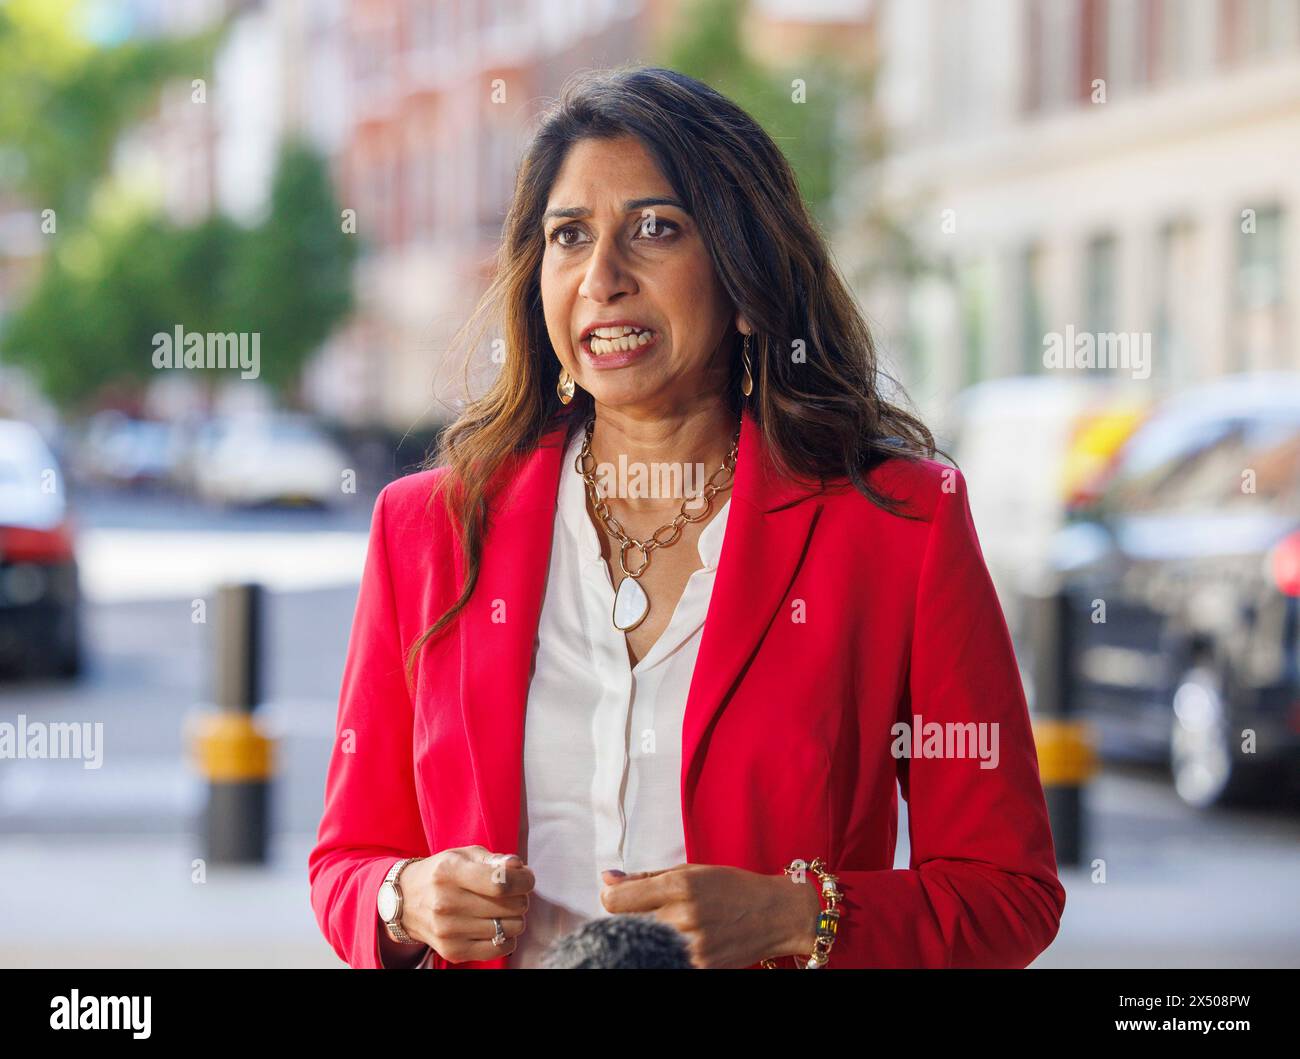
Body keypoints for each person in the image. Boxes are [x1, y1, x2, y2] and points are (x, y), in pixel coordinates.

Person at [308, 66, 1066, 970]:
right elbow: (348, 863)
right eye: (569, 237)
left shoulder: (898, 524)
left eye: (655, 229)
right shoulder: (428, 527)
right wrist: (406, 899)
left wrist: (801, 917)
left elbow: (1006, 891)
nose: (603, 276)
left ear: (746, 281)